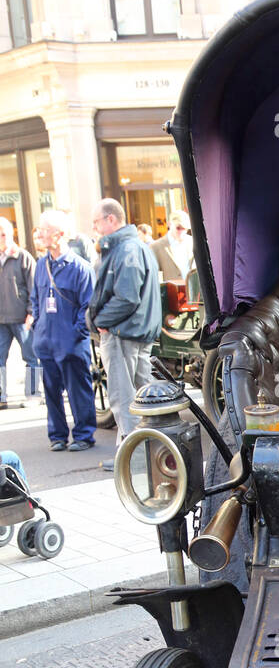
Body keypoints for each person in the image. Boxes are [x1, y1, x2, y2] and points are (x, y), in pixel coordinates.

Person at [90, 197, 160, 471]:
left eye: (96, 221)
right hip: (134, 332)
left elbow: (127, 297)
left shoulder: (126, 250)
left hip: (123, 333)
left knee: (123, 397)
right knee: (143, 395)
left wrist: (102, 321)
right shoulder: (135, 247)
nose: (94, 228)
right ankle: (144, 452)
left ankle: (133, 457)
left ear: (111, 219)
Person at [31, 209, 96, 451]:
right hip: (46, 341)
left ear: (59, 234)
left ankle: (83, 435)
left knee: (78, 390)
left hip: (70, 342)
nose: (39, 234)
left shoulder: (80, 268)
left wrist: (75, 333)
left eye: (44, 230)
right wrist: (38, 326)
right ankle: (57, 436)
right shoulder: (40, 265)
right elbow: (35, 298)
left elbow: (88, 307)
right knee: (51, 392)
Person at [0, 217, 39, 405]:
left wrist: (32, 312)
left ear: (11, 234)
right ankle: (1, 397)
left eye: (3, 234)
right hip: (1, 319)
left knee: (30, 357)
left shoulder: (23, 257)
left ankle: (33, 395)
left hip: (23, 318)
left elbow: (34, 286)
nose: (1, 238)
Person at [150, 210, 194, 281]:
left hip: (192, 290)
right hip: (170, 290)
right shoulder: (156, 247)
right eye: (178, 228)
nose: (182, 231)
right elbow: (154, 277)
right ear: (169, 224)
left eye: (185, 229)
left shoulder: (192, 242)